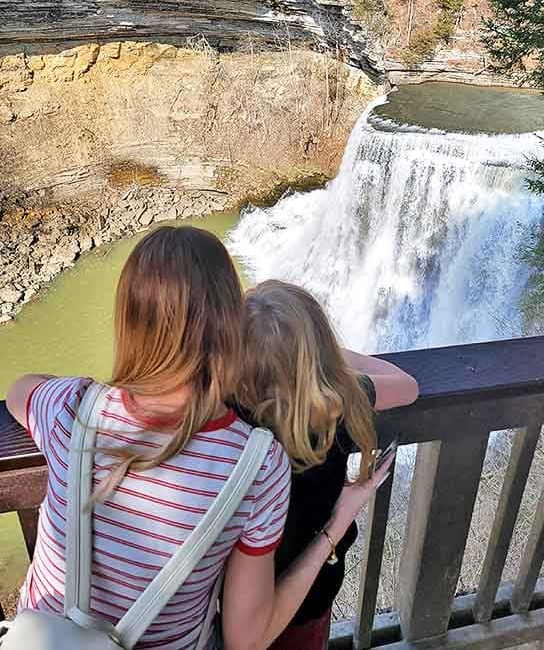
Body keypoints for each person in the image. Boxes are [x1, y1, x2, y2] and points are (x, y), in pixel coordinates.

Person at [6, 227, 396, 650]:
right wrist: (336, 524)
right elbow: (246, 640)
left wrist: (91, 388)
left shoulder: (70, 407)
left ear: (126, 319)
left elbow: (19, 390)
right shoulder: (257, 463)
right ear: (232, 328)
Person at [239, 280, 419, 650]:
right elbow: (406, 385)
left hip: (230, 602)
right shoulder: (336, 403)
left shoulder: (225, 410)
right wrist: (326, 356)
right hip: (308, 598)